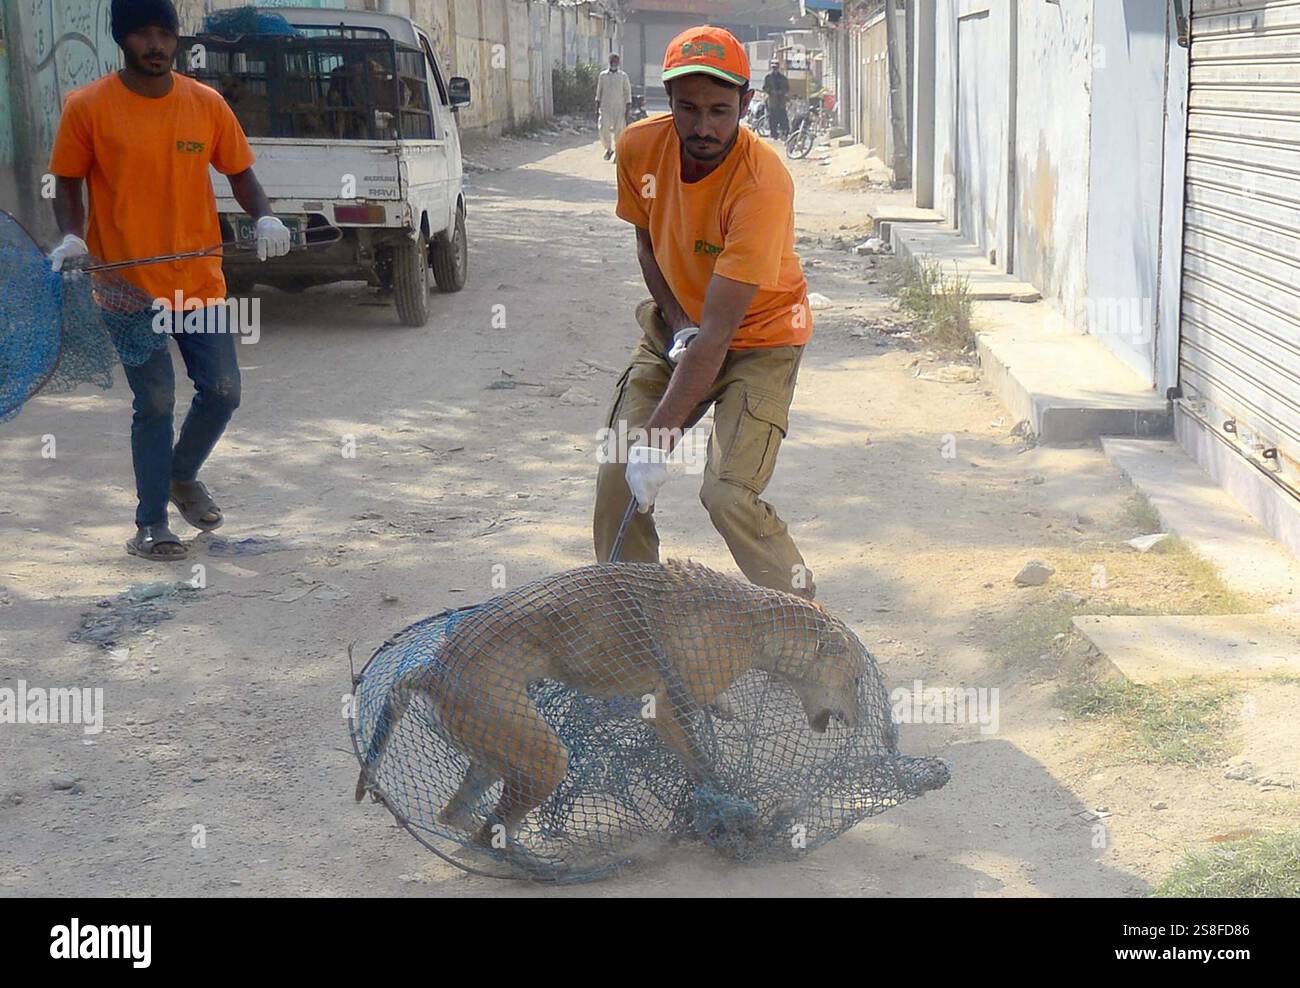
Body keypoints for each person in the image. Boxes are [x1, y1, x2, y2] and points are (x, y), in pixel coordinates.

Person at [47, 0, 292, 561]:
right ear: (122, 41)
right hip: (126, 286)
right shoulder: (87, 107)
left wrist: (266, 217)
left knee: (224, 392)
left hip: (198, 281)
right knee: (155, 401)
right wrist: (71, 235)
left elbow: (240, 173)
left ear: (176, 39)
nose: (155, 44)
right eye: (142, 34)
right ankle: (151, 523)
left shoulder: (205, 104)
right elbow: (66, 182)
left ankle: (182, 477)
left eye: (164, 33)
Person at [593, 26, 817, 599]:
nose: (702, 127)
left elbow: (718, 338)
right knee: (620, 474)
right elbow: (646, 240)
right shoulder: (640, 148)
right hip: (680, 331)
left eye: (720, 110)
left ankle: (809, 633)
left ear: (746, 104)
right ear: (667, 102)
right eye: (687, 108)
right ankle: (640, 633)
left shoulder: (762, 183)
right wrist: (675, 320)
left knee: (727, 495)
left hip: (760, 339)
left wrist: (658, 440)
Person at [595, 53, 632, 161]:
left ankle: (617, 152)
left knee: (619, 132)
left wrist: (628, 109)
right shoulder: (603, 76)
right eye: (612, 61)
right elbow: (599, 92)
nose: (613, 64)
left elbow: (627, 93)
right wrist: (596, 106)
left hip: (620, 109)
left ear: (618, 63)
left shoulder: (623, 76)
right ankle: (608, 149)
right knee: (603, 128)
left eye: (615, 62)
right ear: (609, 62)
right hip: (605, 107)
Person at [762, 61, 789, 139]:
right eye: (773, 67)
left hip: (781, 102)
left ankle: (784, 132)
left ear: (778, 68)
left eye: (776, 67)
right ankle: (774, 133)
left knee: (783, 117)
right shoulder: (768, 78)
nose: (775, 69)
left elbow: (787, 88)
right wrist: (771, 91)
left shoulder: (783, 78)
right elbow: (765, 88)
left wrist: (781, 92)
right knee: (772, 118)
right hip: (772, 101)